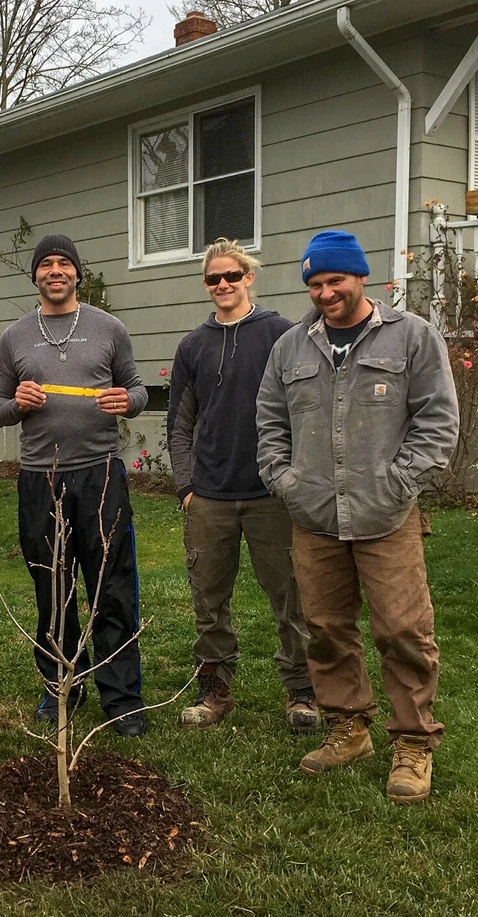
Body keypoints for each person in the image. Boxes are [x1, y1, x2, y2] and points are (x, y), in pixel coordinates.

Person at [256, 230, 459, 804]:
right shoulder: (291, 349)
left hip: (387, 516)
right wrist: (286, 481)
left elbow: (437, 423)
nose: (324, 292)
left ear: (360, 277)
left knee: (402, 630)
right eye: (315, 284)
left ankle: (413, 742)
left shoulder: (412, 337)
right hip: (313, 514)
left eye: (334, 280)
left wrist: (400, 483)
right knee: (324, 629)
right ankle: (348, 729)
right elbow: (270, 423)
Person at [0, 235, 148, 736]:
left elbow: (138, 389)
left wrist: (130, 402)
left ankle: (121, 700)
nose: (55, 271)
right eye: (46, 265)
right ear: (35, 276)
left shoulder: (109, 329)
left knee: (110, 586)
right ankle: (61, 686)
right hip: (40, 478)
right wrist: (19, 404)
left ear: (78, 273)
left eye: (64, 264)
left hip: (100, 474)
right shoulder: (15, 337)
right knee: (51, 586)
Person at [167, 238, 319, 732]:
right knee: (208, 601)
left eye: (232, 276)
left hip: (271, 495)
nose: (223, 285)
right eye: (214, 279)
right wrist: (186, 485)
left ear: (249, 277)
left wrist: (294, 478)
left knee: (292, 598)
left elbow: (302, 410)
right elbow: (179, 424)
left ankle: (302, 692)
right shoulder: (193, 346)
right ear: (206, 285)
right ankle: (215, 691)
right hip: (209, 496)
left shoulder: (280, 334)